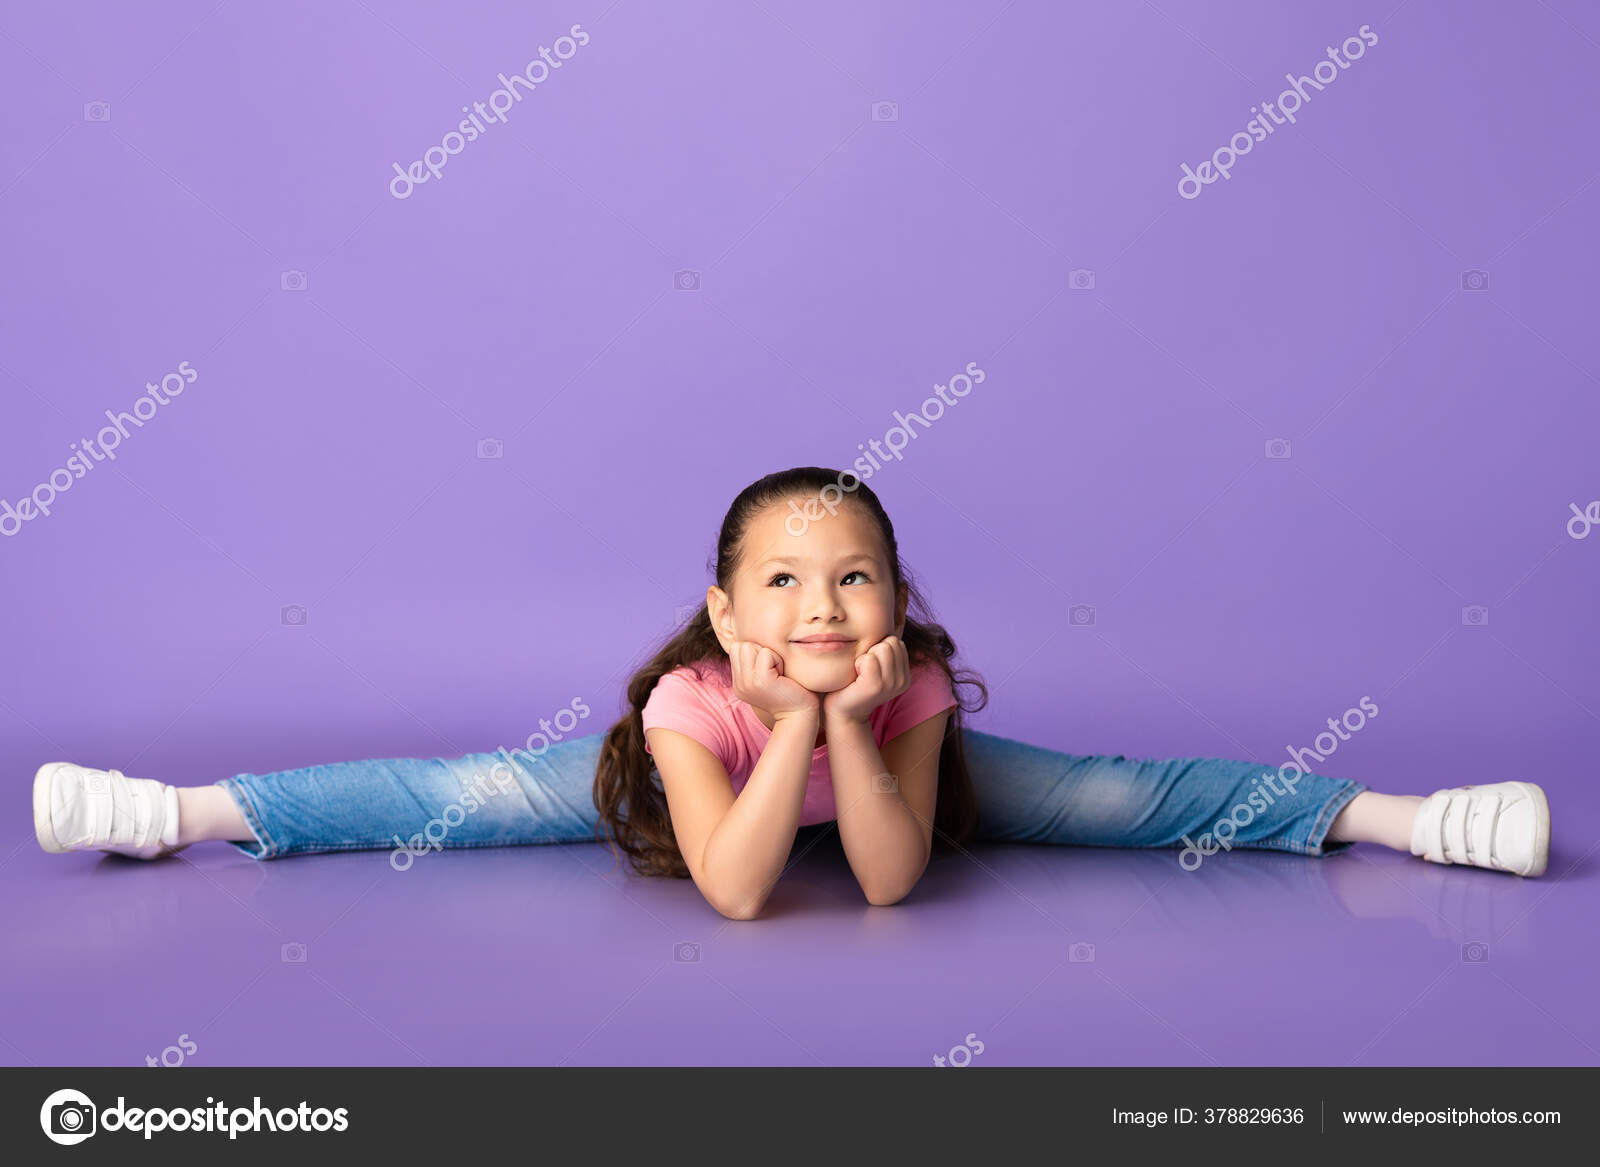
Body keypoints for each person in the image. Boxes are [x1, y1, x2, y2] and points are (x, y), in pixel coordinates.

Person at [32, 467, 1551, 919]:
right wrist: (781, 732)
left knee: (1127, 797)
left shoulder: (917, 688)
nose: (822, 608)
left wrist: (849, 724)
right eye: (782, 582)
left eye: (854, 581)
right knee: (454, 797)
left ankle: (1401, 818)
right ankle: (178, 811)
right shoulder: (684, 708)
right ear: (721, 606)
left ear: (897, 602)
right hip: (705, 794)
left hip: (888, 775)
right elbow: (745, 893)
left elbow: (887, 882)